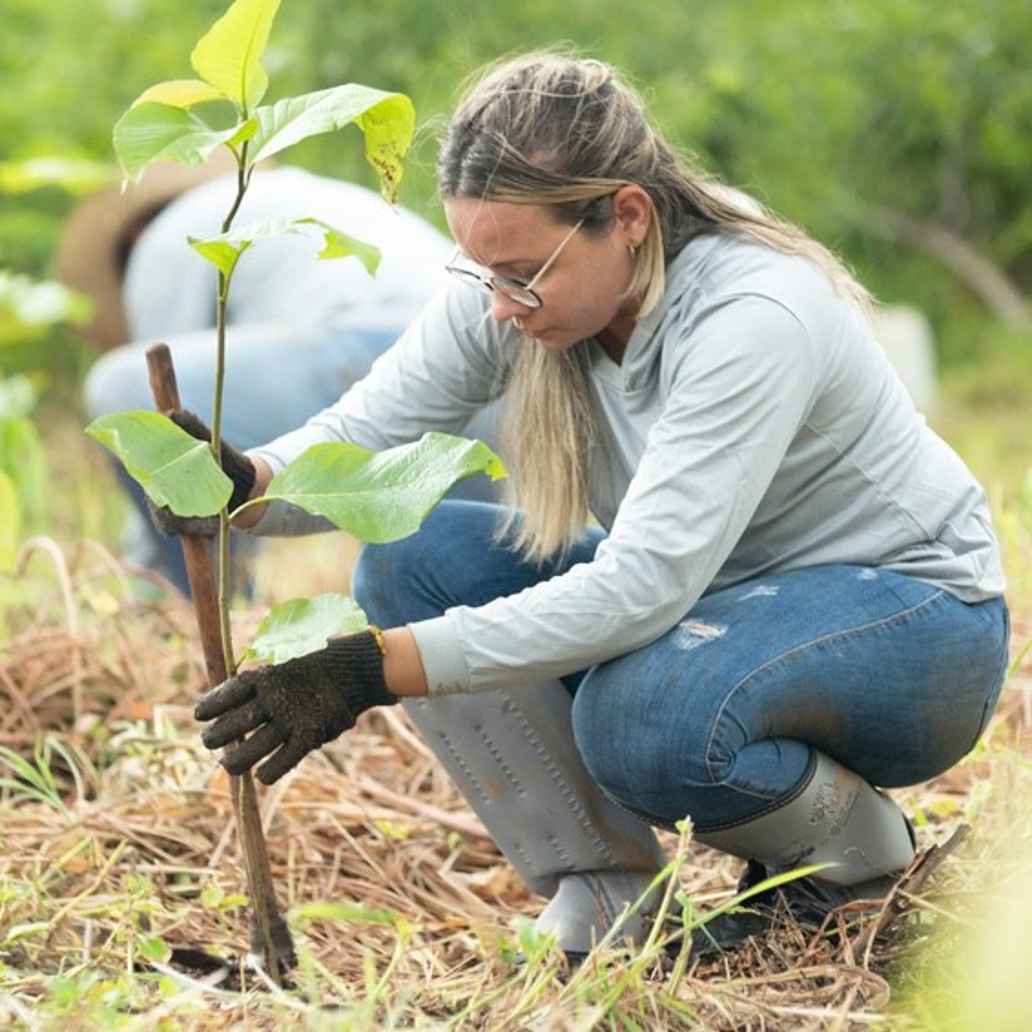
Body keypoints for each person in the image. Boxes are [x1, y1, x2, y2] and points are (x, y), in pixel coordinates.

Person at [153, 52, 1010, 960]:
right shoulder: (512, 289)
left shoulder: (754, 311)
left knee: (639, 717)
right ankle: (603, 886)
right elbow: (376, 426)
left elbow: (641, 588)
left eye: (522, 273)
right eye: (482, 270)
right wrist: (244, 486)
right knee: (415, 562)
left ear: (627, 217)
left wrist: (367, 671)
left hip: (914, 626)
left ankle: (855, 856)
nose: (498, 306)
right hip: (719, 613)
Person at [57, 160, 499, 595]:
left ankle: (203, 616)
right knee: (461, 573)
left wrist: (146, 577)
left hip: (374, 352)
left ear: (131, 236)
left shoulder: (163, 240)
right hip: (492, 362)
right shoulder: (303, 191)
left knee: (119, 388)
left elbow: (162, 423)